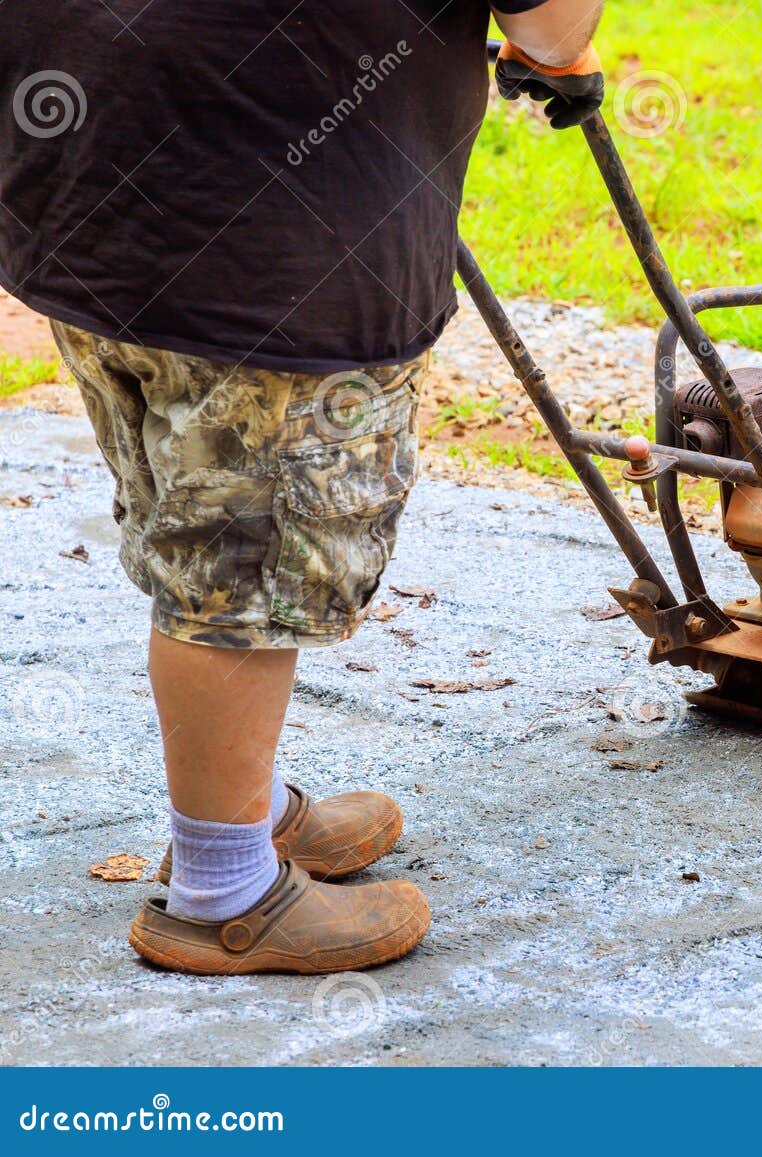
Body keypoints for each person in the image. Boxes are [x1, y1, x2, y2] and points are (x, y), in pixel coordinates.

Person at [0, 1, 605, 974]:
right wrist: (561, 46)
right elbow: (550, 25)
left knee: (191, 517)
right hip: (273, 224)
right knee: (243, 574)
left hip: (88, 178)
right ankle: (222, 891)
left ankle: (242, 808)